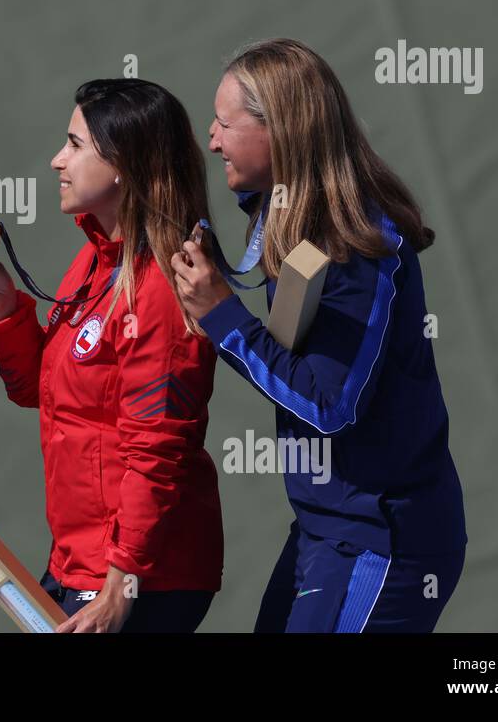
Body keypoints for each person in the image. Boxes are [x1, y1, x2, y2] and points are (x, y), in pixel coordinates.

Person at [172, 38, 467, 633]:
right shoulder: (293, 215)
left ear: (280, 132)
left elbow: (330, 405)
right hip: (323, 527)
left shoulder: (356, 246)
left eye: (226, 123)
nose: (212, 139)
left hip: (381, 539)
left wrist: (224, 318)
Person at [0, 79, 224, 633]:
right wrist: (7, 311)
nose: (58, 160)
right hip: (80, 564)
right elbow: (42, 392)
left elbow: (157, 452)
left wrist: (120, 587)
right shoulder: (94, 264)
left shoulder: (159, 290)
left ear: (125, 162)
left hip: (139, 581)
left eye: (76, 145)